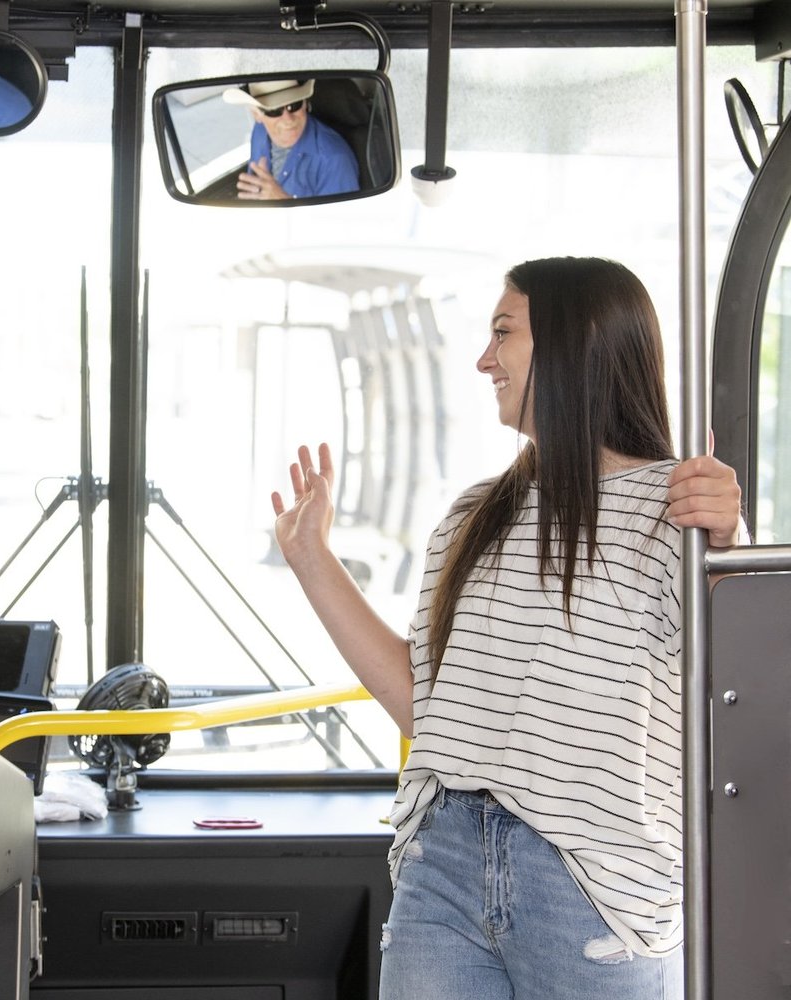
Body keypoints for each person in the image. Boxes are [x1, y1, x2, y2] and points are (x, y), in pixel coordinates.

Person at [270, 257, 743, 1000]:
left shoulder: (676, 510)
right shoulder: (472, 515)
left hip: (595, 884)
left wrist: (727, 536)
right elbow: (428, 713)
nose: (483, 359)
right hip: (444, 867)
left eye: (503, 333)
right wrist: (311, 559)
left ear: (574, 343)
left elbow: (733, 681)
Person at [222, 79, 360, 200]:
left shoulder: (334, 158)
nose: (288, 119)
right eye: (274, 110)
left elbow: (340, 227)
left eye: (294, 105)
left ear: (305, 104)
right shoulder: (260, 131)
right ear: (257, 115)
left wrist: (284, 201)